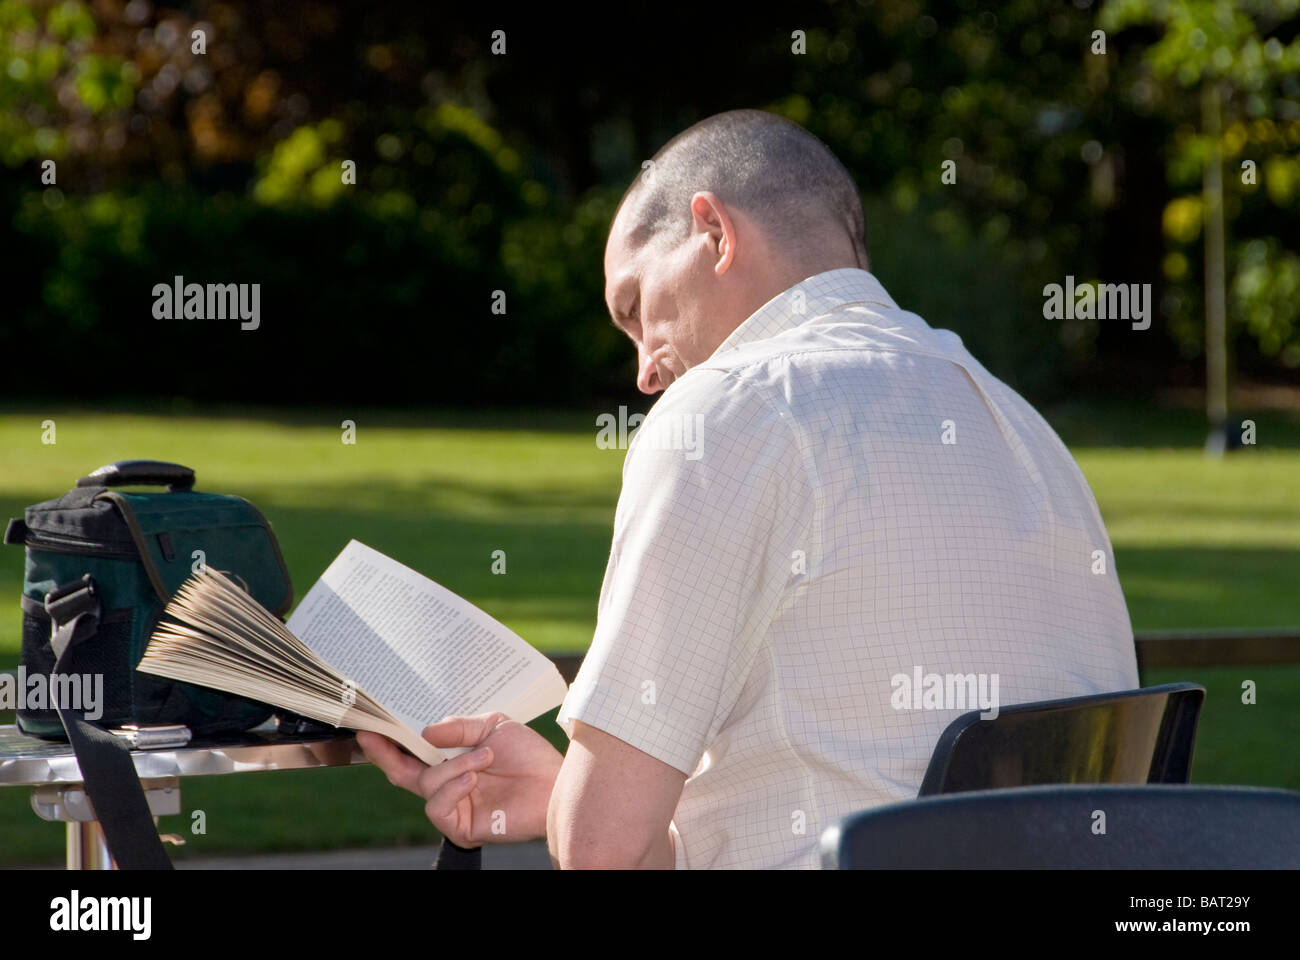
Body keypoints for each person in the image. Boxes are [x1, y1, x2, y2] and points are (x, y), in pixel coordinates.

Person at [357, 108, 1139, 869]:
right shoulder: (1019, 423)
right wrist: (570, 796)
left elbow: (601, 854)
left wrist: (583, 814)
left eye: (635, 310)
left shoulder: (730, 409)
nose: (644, 371)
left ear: (714, 232)